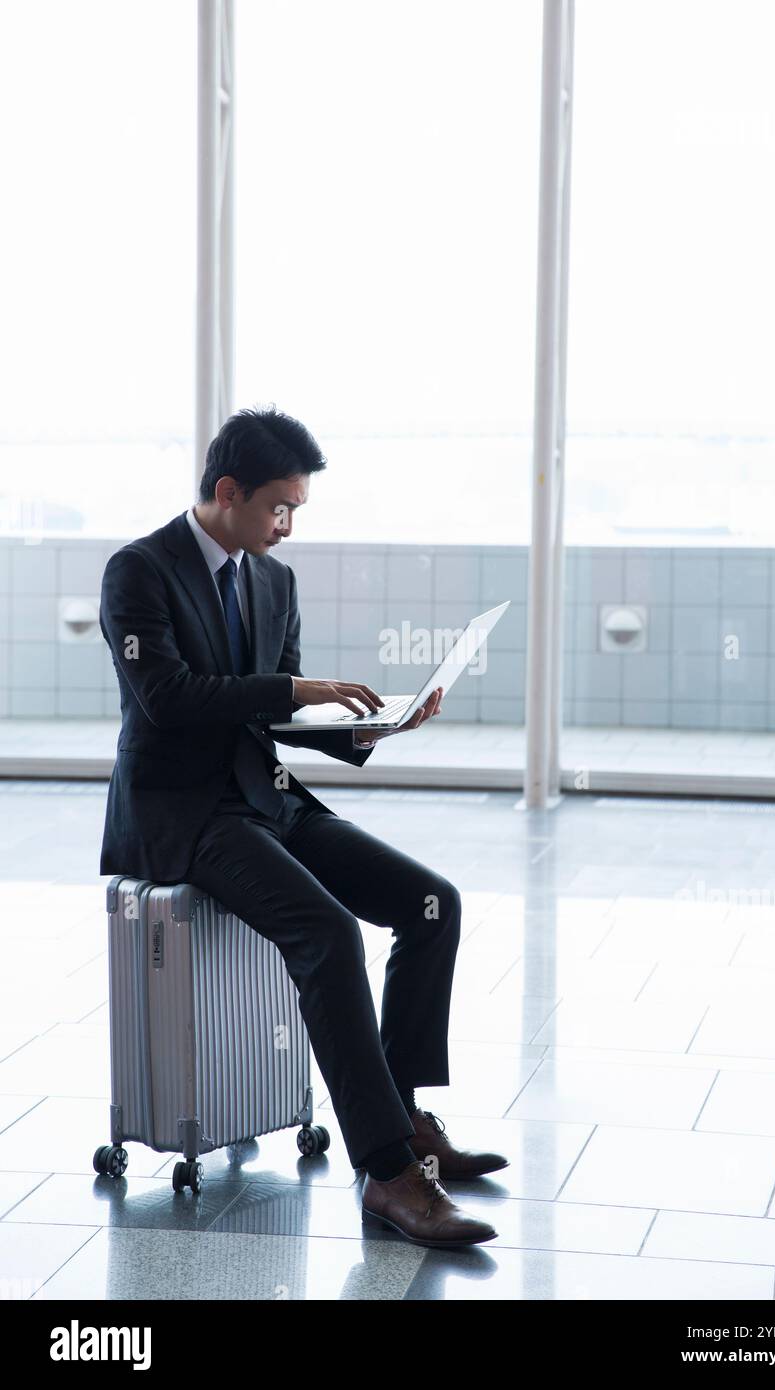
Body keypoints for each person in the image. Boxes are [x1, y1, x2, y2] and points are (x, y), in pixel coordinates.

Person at [99, 404, 508, 1248]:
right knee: (326, 930)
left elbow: (276, 721)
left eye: (296, 511)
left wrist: (371, 728)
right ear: (227, 491)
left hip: (265, 795)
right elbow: (168, 702)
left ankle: (403, 1115)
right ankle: (390, 1174)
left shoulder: (272, 580)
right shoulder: (139, 571)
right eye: (278, 507)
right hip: (182, 810)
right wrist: (295, 690)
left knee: (432, 902)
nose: (287, 526)